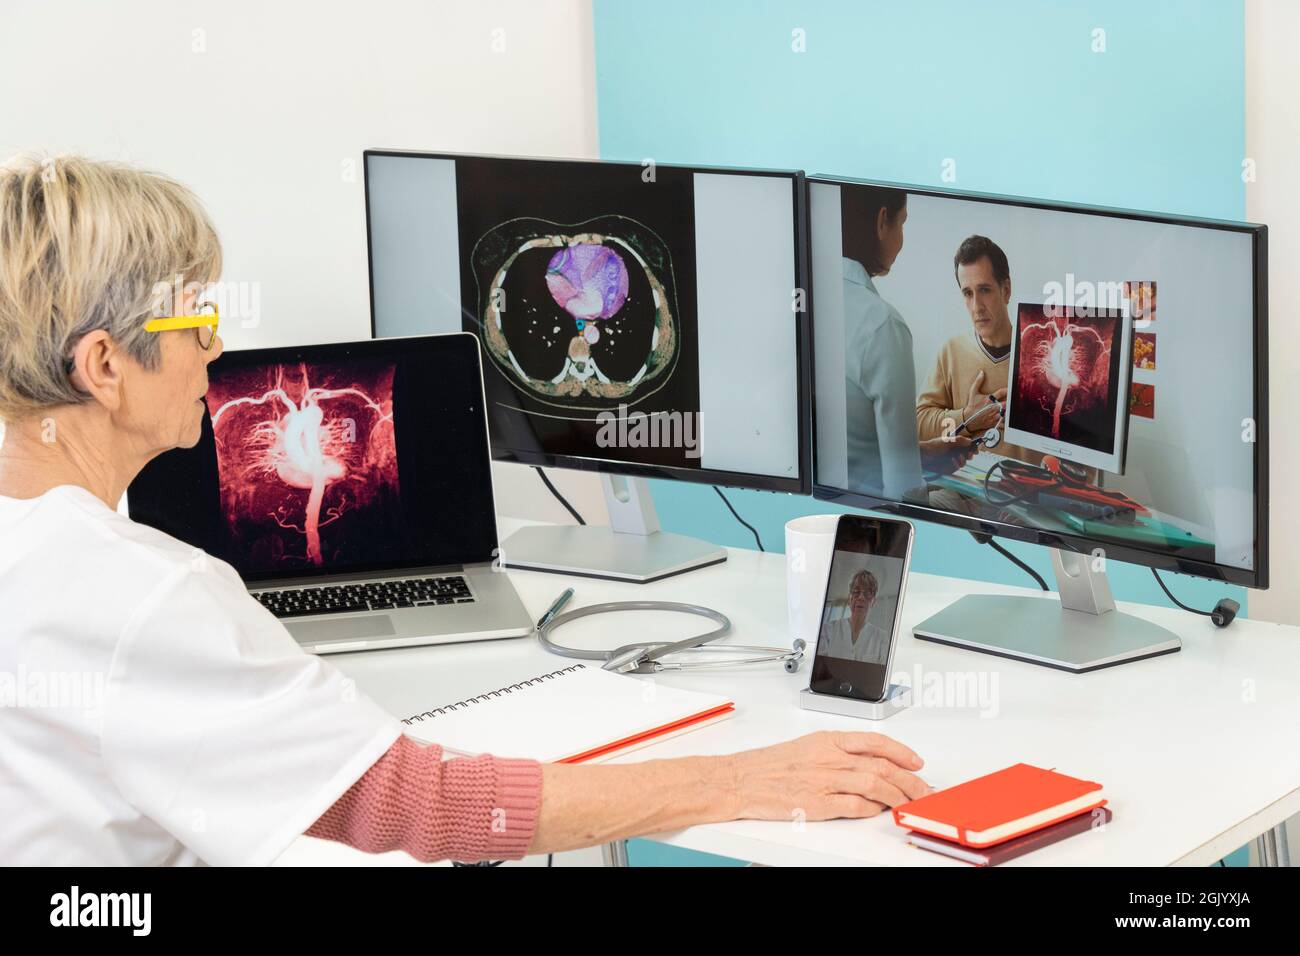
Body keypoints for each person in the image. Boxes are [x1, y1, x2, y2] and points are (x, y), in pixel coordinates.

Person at [0, 155, 933, 866]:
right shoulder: (142, 595)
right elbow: (411, 805)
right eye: (193, 323)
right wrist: (743, 779)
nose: (215, 352)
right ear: (104, 368)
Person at [840, 187, 971, 502]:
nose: (901, 240)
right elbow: (905, 491)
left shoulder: (800, 298)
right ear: (882, 221)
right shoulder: (883, 326)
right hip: (870, 524)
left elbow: (854, 445)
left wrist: (920, 453)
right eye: (902, 224)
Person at [915, 235, 1034, 466]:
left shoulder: (1044, 357)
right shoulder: (950, 353)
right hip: (961, 496)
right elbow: (920, 426)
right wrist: (968, 418)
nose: (976, 306)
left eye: (985, 290)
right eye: (967, 293)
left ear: (1006, 290)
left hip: (1027, 497)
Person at [816, 570, 891, 664]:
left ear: (873, 601)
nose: (861, 597)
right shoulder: (827, 630)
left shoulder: (882, 638)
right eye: (856, 592)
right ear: (849, 599)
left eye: (867, 594)